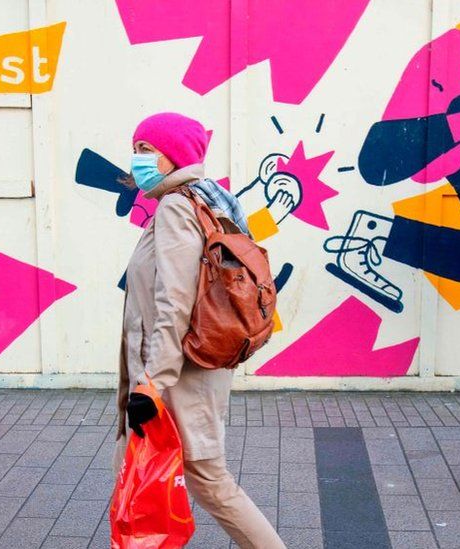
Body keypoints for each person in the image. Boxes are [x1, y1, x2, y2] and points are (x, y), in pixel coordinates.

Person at [113, 112, 286, 549]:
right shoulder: (205, 201)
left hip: (177, 380)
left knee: (210, 482)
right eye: (135, 150)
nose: (138, 161)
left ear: (173, 157)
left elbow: (175, 303)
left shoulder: (176, 207)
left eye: (146, 151)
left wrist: (151, 384)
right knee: (138, 479)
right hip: (188, 373)